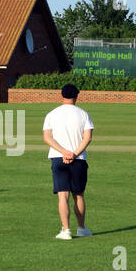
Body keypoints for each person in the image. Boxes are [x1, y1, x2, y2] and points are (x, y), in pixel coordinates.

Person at [41, 83, 95, 239]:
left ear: (61, 96)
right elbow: (88, 138)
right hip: (78, 159)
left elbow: (47, 137)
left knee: (62, 195)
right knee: (78, 195)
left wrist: (63, 152)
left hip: (58, 158)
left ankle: (66, 230)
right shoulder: (83, 114)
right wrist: (74, 153)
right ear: (76, 96)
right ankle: (81, 228)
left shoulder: (51, 114)